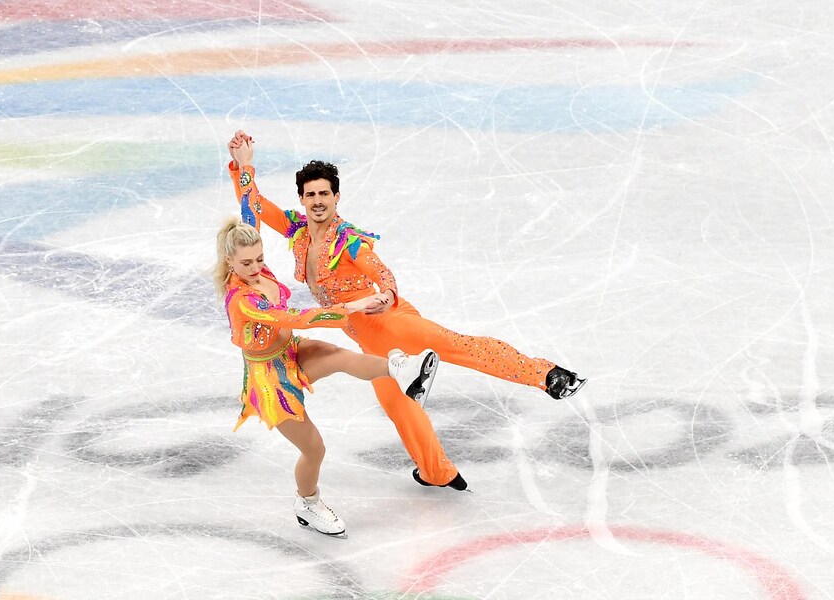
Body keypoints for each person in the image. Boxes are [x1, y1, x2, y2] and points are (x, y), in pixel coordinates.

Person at [226, 129, 585, 492]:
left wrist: (389, 291)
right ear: (302, 199)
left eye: (324, 194)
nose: (318, 201)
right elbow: (254, 208)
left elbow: (376, 267)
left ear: (336, 197)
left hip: (390, 320)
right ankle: (436, 472)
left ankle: (546, 375)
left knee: (458, 346)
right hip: (365, 337)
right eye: (311, 194)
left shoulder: (348, 240)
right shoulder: (299, 230)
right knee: (398, 404)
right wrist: (244, 166)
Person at [214, 218, 436, 536]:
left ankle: (404, 371)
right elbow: (297, 318)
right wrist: (353, 306)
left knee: (337, 356)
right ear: (230, 261)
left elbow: (251, 207)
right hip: (269, 380)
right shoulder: (243, 300)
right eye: (246, 263)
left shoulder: (256, 266)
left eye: (260, 259)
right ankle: (306, 503)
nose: (255, 267)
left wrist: (244, 171)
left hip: (290, 351)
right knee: (315, 449)